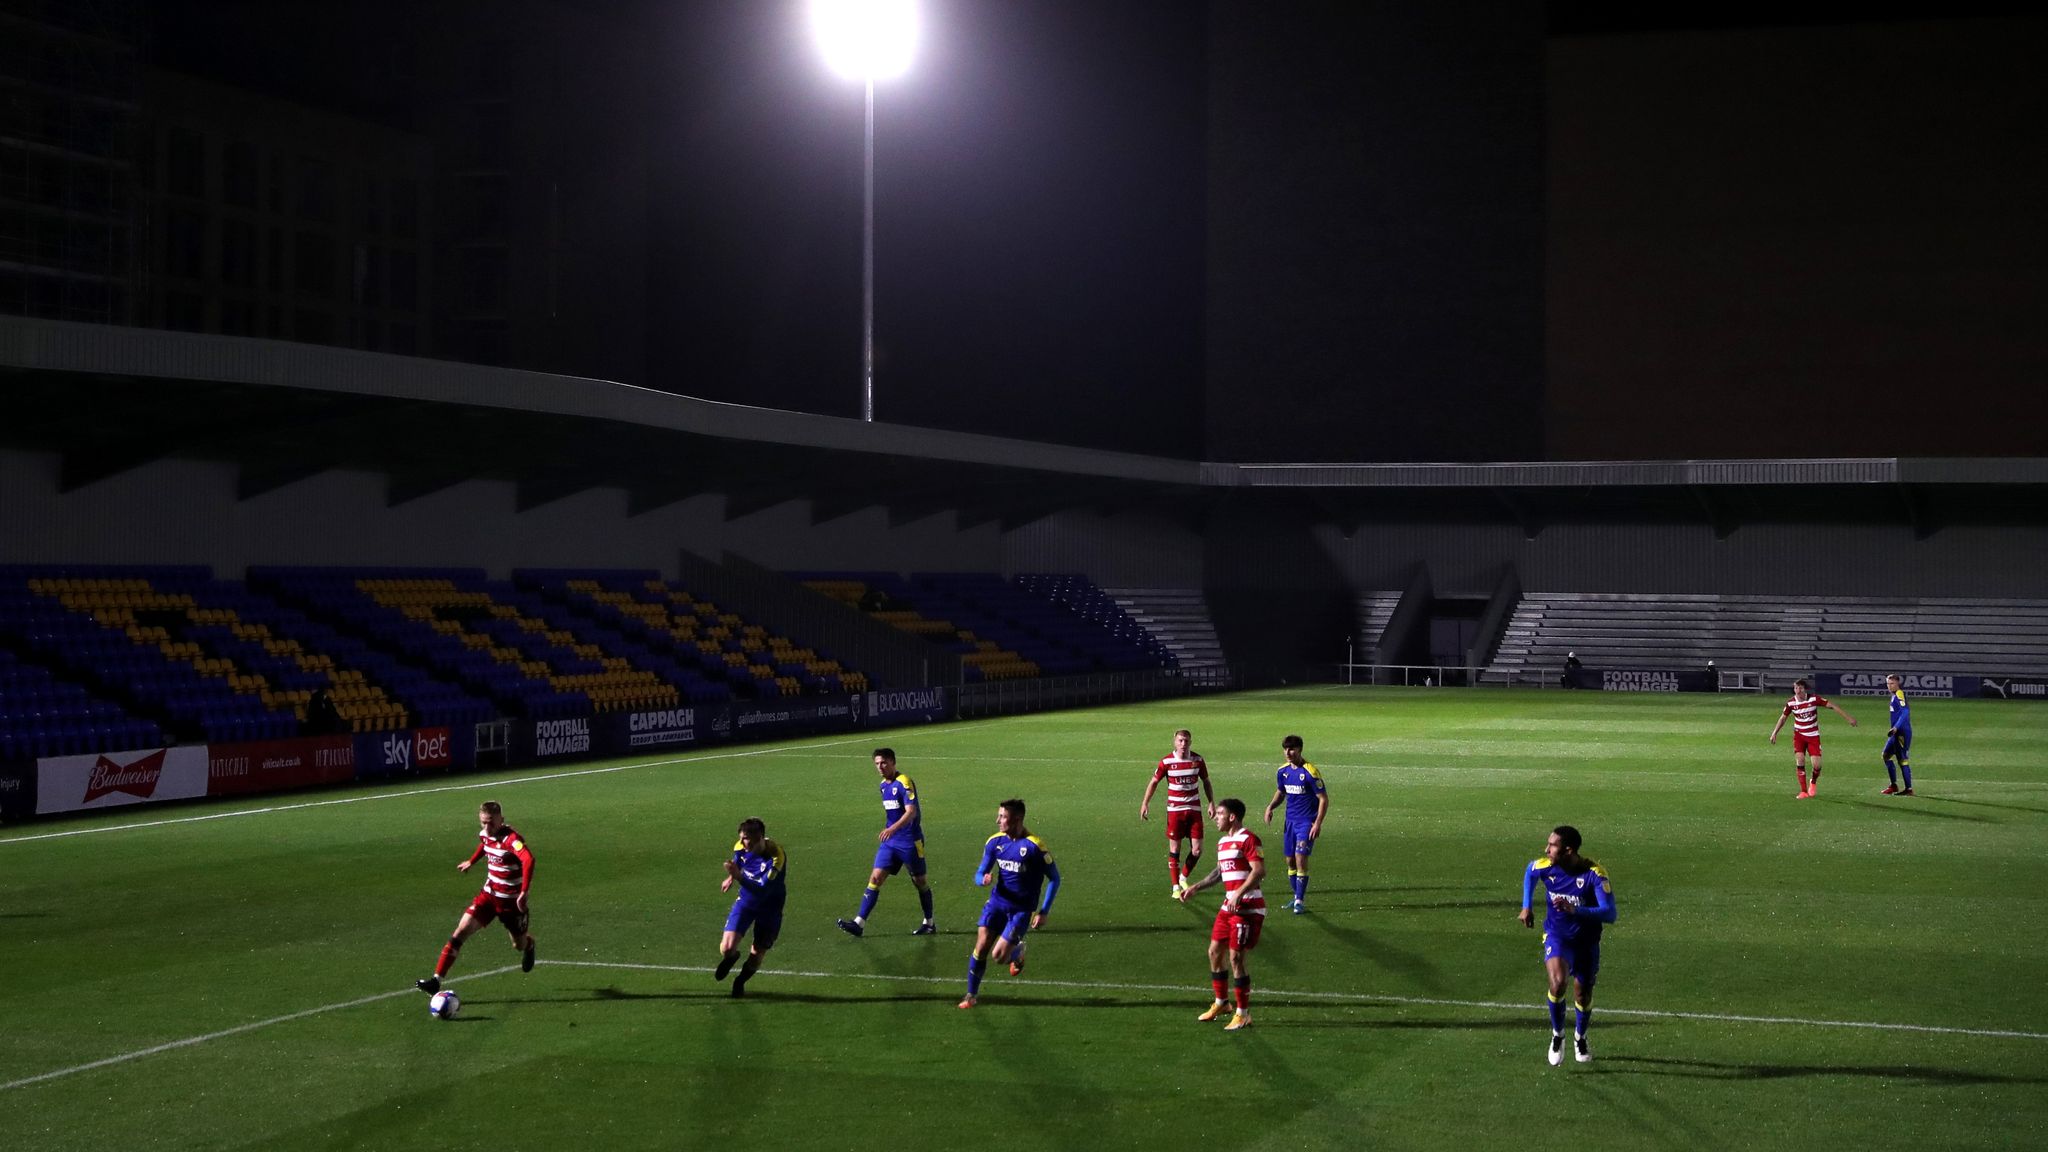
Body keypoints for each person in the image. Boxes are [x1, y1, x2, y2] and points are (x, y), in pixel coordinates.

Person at [1517, 825, 1617, 1065]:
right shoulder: (1546, 866)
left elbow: (1610, 913)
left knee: (1582, 994)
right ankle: (1557, 1034)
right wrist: (1526, 906)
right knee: (1558, 982)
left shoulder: (1594, 874)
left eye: (1552, 846)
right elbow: (1530, 871)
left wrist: (1576, 910)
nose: (1546, 849)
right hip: (1557, 936)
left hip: (1586, 942)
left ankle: (1580, 1037)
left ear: (1568, 850)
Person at [417, 801, 536, 995]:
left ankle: (529, 945)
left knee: (519, 945)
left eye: (491, 823)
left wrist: (524, 891)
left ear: (501, 820)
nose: (487, 827)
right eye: (483, 823)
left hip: (511, 903)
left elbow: (528, 859)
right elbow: (485, 845)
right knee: (460, 932)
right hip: (488, 896)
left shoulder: (512, 840)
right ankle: (436, 980)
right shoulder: (485, 834)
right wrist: (471, 861)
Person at [959, 799, 1061, 1009]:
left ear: (1017, 819)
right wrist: (982, 879)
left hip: (1021, 910)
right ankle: (971, 995)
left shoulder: (1034, 847)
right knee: (981, 946)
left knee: (998, 956)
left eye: (1003, 817)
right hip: (997, 903)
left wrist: (1043, 911)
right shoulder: (995, 842)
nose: (998, 821)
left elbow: (1055, 878)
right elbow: (979, 873)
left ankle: (1016, 952)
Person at [1177, 798, 1265, 1032]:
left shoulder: (1249, 839)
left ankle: (1243, 1014)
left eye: (1220, 814)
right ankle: (1222, 1003)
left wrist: (1238, 894)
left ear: (1232, 817)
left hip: (1247, 908)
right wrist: (1195, 887)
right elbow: (1219, 872)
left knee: (1236, 958)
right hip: (1229, 907)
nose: (1216, 818)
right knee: (1214, 952)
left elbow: (1258, 871)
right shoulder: (1223, 842)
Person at [837, 748, 936, 937]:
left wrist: (892, 829)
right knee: (875, 878)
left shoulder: (904, 782)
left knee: (920, 881)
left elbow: (911, 812)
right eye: (877, 764)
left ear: (892, 762)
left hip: (909, 841)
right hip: (891, 842)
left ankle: (929, 923)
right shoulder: (883, 786)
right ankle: (859, 923)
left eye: (883, 762)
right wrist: (890, 832)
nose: (880, 767)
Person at [716, 817, 786, 997]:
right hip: (746, 901)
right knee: (726, 948)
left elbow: (762, 890)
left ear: (759, 838)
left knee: (757, 953)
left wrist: (738, 876)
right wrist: (731, 877)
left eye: (745, 839)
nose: (741, 842)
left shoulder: (776, 857)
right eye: (740, 838)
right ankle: (732, 957)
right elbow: (738, 860)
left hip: (770, 907)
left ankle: (740, 981)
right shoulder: (740, 847)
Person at [1140, 728, 1213, 897]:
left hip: (1194, 809)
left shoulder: (1198, 760)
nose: (1183, 744)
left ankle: (1183, 877)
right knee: (1175, 848)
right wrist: (1145, 803)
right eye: (1180, 740)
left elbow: (1206, 781)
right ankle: (1175, 887)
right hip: (1175, 811)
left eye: (1186, 741)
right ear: (1175, 742)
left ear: (1190, 742)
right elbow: (1154, 782)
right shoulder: (1166, 762)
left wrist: (1211, 803)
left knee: (1197, 850)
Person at [1262, 735, 1328, 913]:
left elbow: (1323, 799)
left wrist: (1317, 823)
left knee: (1300, 857)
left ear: (1300, 750)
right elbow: (1281, 792)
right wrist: (1270, 807)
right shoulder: (1282, 771)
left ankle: (1299, 900)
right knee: (1290, 861)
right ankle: (1296, 896)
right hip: (1289, 822)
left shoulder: (1310, 772)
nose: (1288, 753)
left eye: (1291, 749)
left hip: (1306, 823)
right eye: (1285, 749)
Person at [1768, 678, 1857, 798]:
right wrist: (1774, 733)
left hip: (1813, 736)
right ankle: (1803, 791)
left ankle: (1813, 782)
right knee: (1800, 760)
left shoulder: (1814, 699)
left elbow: (1832, 706)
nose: (1798, 690)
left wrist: (1849, 718)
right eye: (1796, 688)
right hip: (1799, 736)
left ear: (1804, 689)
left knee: (1817, 765)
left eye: (1800, 688)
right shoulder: (1791, 703)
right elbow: (1783, 718)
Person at [1881, 674, 1915, 796]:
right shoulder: (1894, 695)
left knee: (1903, 760)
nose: (1889, 686)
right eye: (1888, 684)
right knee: (1886, 755)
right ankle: (1893, 785)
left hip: (1902, 733)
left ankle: (1909, 789)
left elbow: (1905, 711)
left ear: (1897, 684)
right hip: (1894, 733)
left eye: (1892, 684)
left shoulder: (1899, 694)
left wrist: (1896, 727)